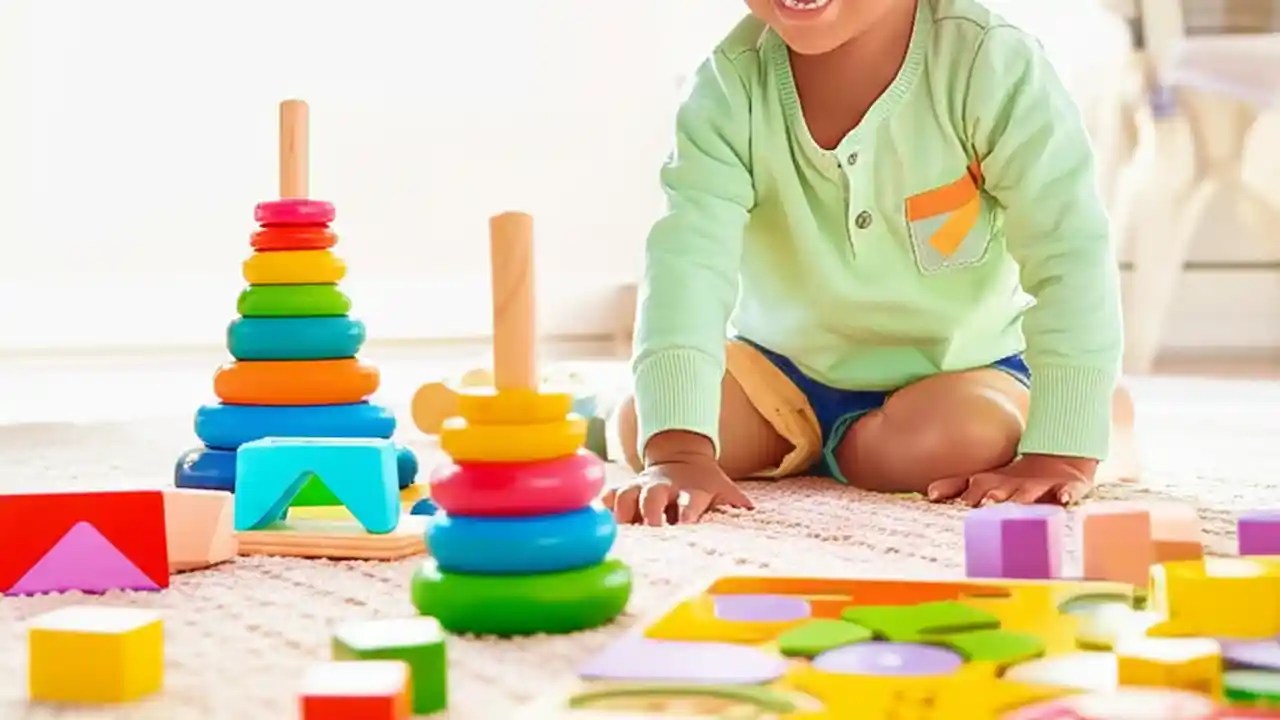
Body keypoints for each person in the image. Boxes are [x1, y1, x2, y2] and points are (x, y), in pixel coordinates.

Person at [605, 0, 1128, 526]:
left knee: (956, 439)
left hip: (965, 369)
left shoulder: (991, 65)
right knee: (646, 425)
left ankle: (1105, 410)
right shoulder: (727, 86)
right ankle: (836, 445)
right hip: (782, 370)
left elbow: (1069, 250)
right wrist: (678, 452)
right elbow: (687, 263)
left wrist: (1063, 450)